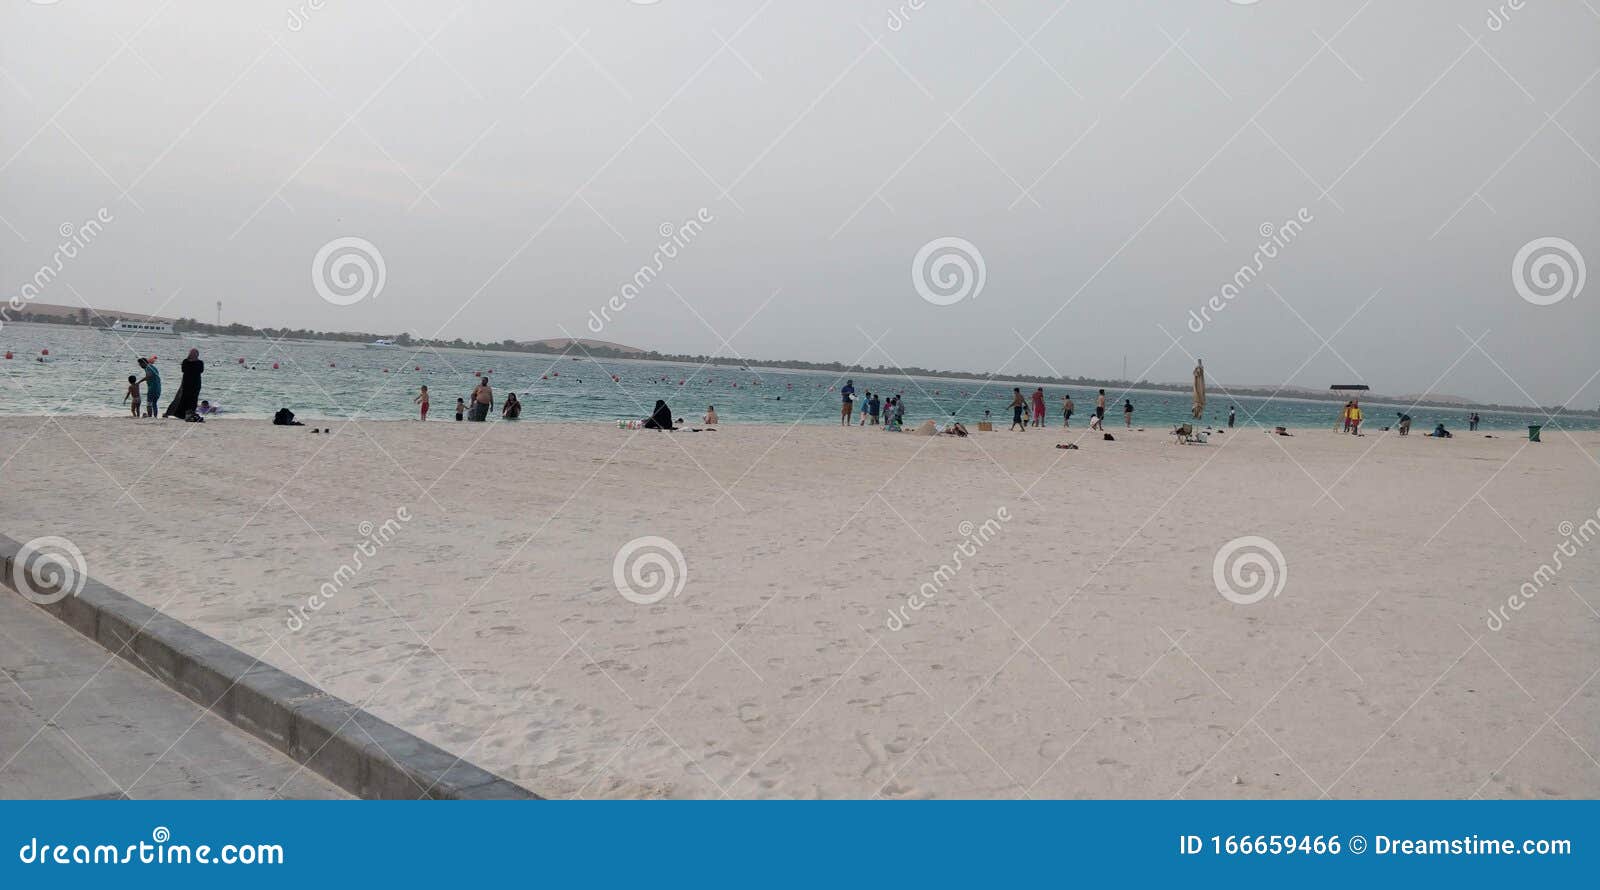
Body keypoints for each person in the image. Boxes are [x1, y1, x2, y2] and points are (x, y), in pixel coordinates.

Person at [164, 348, 204, 419]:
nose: (193, 355)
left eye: (194, 353)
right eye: (192, 353)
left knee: (193, 399)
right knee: (182, 397)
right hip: (186, 383)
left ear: (197, 354)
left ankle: (190, 413)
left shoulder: (200, 362)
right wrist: (190, 363)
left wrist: (192, 365)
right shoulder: (185, 361)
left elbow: (201, 370)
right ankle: (175, 413)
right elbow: (183, 370)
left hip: (196, 383)